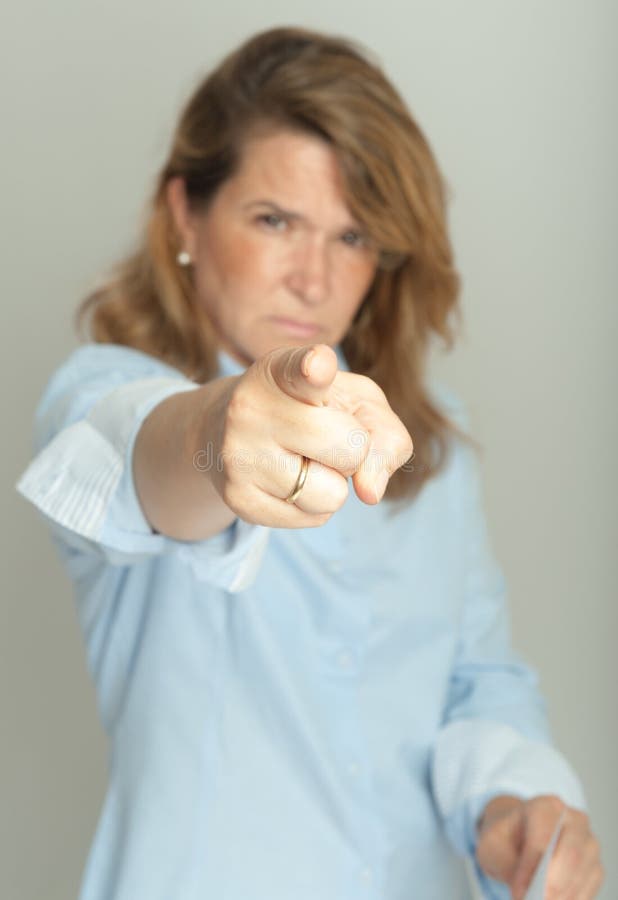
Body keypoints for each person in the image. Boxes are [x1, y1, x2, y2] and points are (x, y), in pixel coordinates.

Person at [16, 26, 603, 900]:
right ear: (185, 214)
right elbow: (138, 455)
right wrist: (219, 436)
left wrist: (512, 805)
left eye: (353, 236)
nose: (315, 279)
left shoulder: (435, 448)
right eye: (275, 220)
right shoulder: (107, 391)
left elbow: (477, 680)